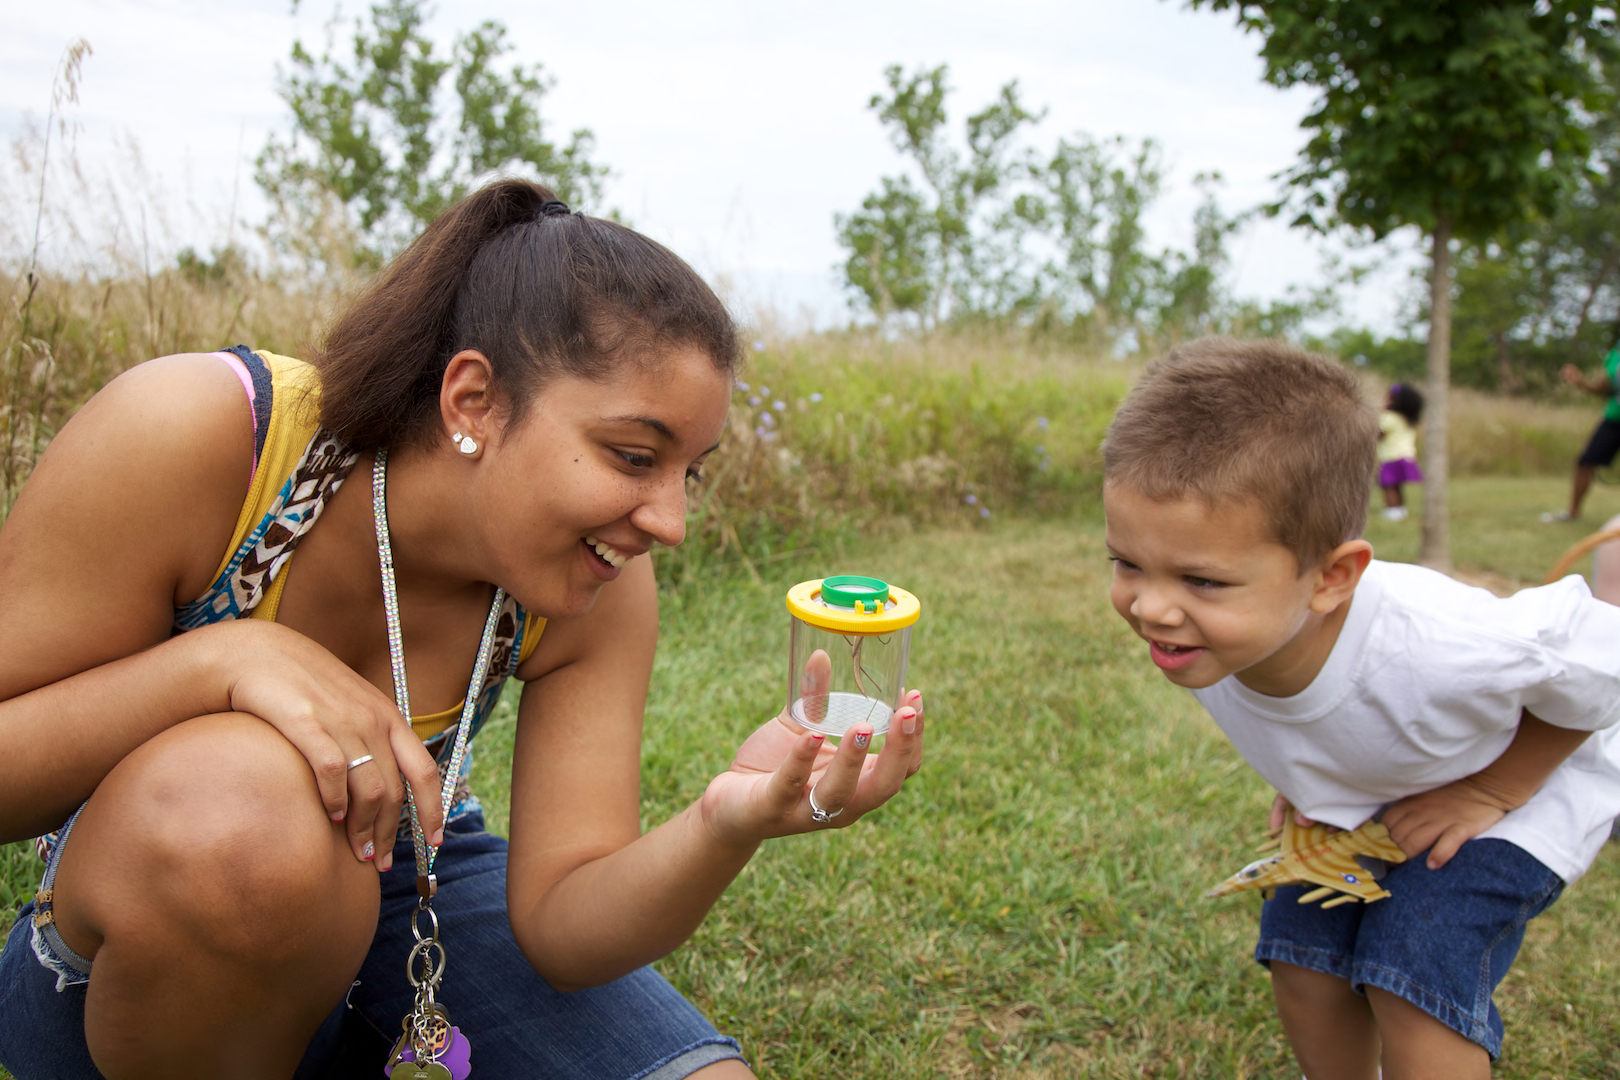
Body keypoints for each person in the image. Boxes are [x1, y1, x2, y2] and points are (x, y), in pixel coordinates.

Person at [0, 180, 927, 1080]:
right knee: (250, 813)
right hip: (151, 943)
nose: (670, 522)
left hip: (418, 888)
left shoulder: (592, 580)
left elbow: (565, 927)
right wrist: (224, 658)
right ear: (473, 400)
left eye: (691, 472)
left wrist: (728, 822)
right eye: (635, 457)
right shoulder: (208, 434)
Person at [1101, 338, 1620, 1079]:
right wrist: (1313, 777)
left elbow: (1603, 657)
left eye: (1201, 581)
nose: (1151, 607)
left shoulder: (1439, 644)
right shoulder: (1220, 637)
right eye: (1127, 563)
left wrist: (1494, 789)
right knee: (1302, 941)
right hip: (1389, 788)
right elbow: (1324, 715)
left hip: (1525, 788)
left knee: (1412, 956)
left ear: (1332, 577)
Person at [1543, 344, 1620, 522]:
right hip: (1614, 418)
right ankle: (1573, 513)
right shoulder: (1616, 353)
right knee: (1586, 461)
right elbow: (1602, 388)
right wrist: (1580, 381)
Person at [1375, 383, 1423, 522]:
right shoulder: (1407, 419)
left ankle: (1393, 511)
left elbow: (1379, 434)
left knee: (1388, 485)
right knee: (1397, 486)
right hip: (1406, 456)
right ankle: (1400, 509)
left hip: (1392, 457)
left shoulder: (1389, 418)